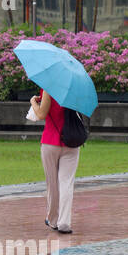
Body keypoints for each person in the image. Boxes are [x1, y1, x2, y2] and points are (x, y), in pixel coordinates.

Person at [31, 89, 77, 234]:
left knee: (52, 184)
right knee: (67, 183)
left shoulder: (49, 89)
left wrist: (33, 101)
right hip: (71, 140)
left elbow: (41, 114)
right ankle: (64, 222)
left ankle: (53, 220)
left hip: (50, 141)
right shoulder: (74, 89)